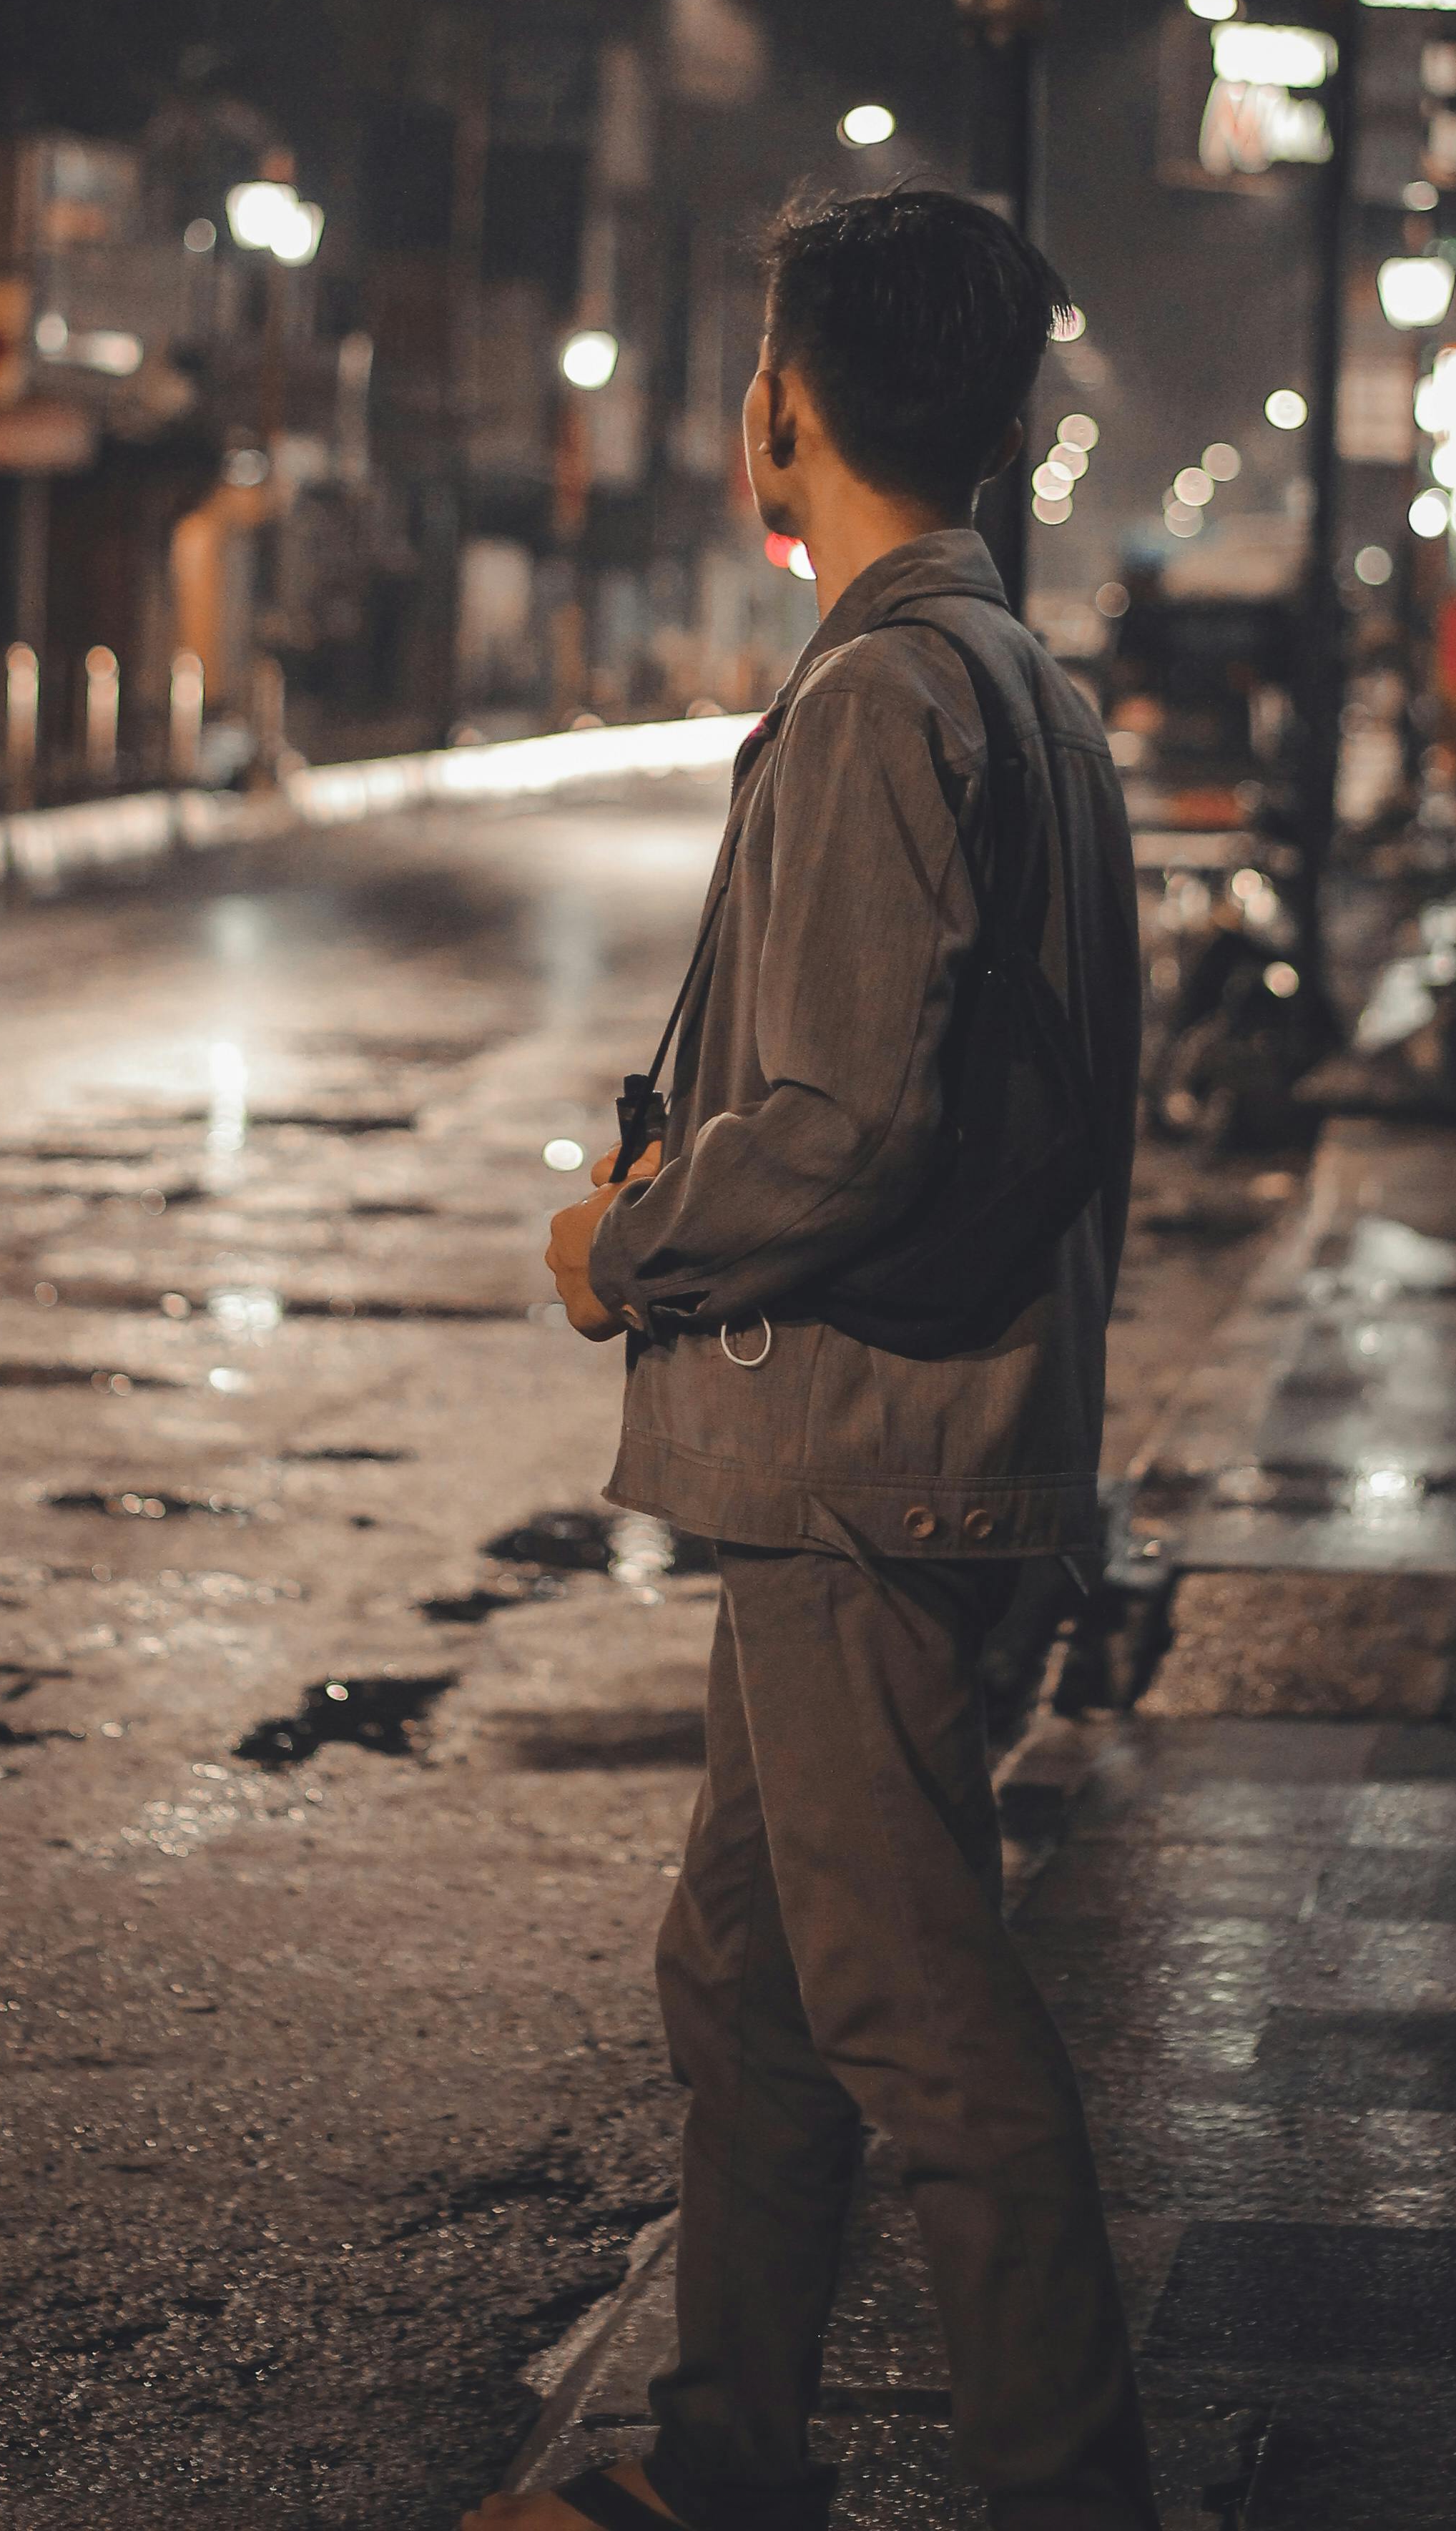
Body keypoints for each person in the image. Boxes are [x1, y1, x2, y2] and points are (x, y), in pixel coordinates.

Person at [464, 190, 1152, 2531]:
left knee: (915, 2021)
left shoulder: (880, 696)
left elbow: (840, 1127)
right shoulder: (1027, 692)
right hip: (935, 1437)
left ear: (791, 397)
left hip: (862, 1456)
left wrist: (622, 1244)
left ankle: (1067, 2495)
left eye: (756, 364)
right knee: (751, 1988)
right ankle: (719, 2458)